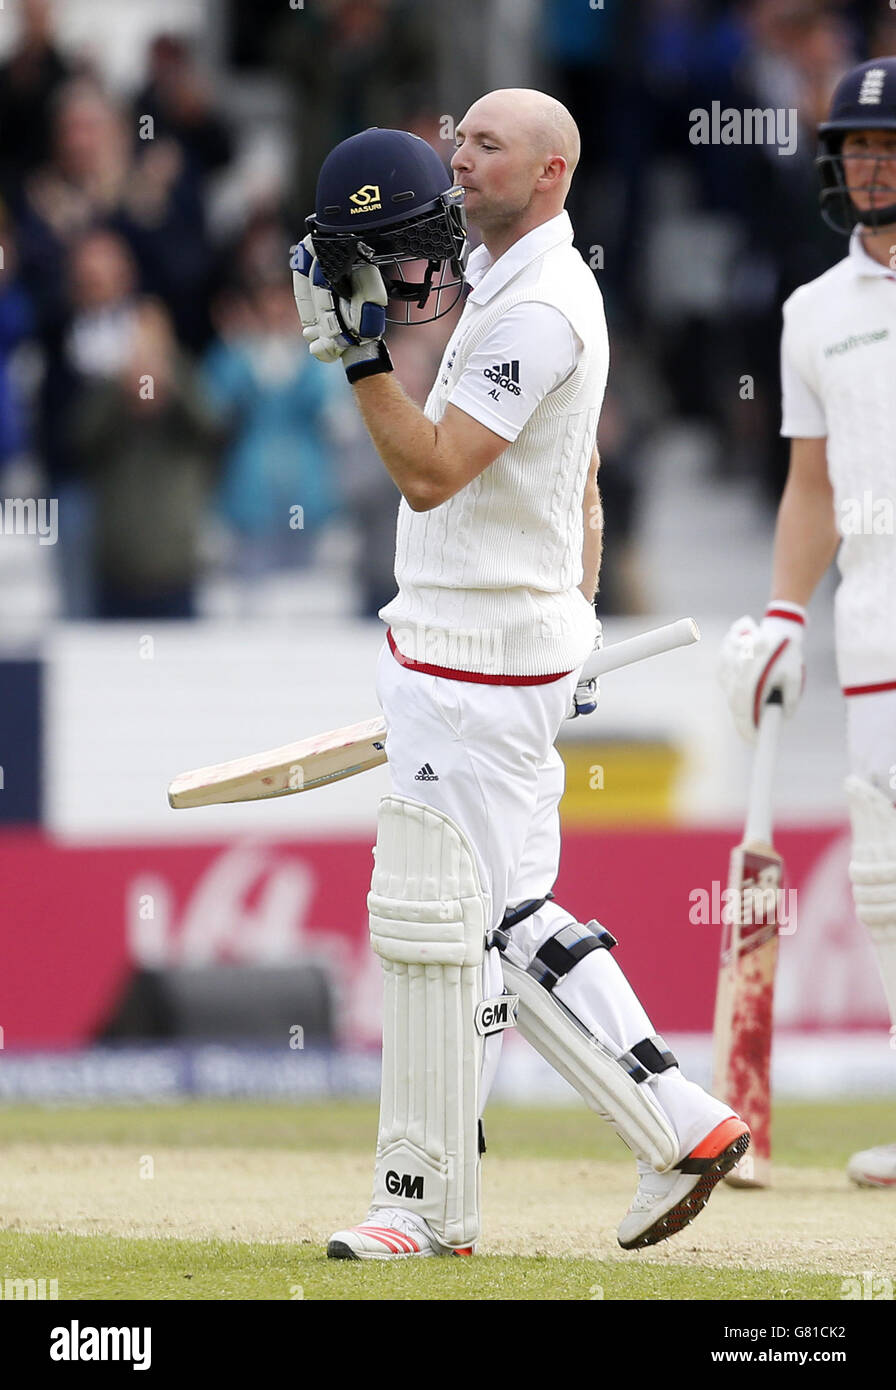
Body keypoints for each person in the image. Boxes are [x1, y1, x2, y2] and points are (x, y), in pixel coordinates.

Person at [293, 92, 749, 1260]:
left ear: (550, 174)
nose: (458, 157)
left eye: (484, 146)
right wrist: (574, 621)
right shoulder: (506, 284)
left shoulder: (537, 305)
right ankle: (617, 1140)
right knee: (496, 920)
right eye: (458, 138)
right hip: (490, 646)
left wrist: (351, 355)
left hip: (473, 657)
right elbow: (580, 479)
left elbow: (433, 474)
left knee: (450, 925)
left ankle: (449, 1194)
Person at [719, 57, 896, 1189]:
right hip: (873, 614)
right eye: (855, 150)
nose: (870, 166)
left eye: (887, 147)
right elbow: (811, 488)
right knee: (881, 870)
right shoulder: (810, 314)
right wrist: (785, 611)